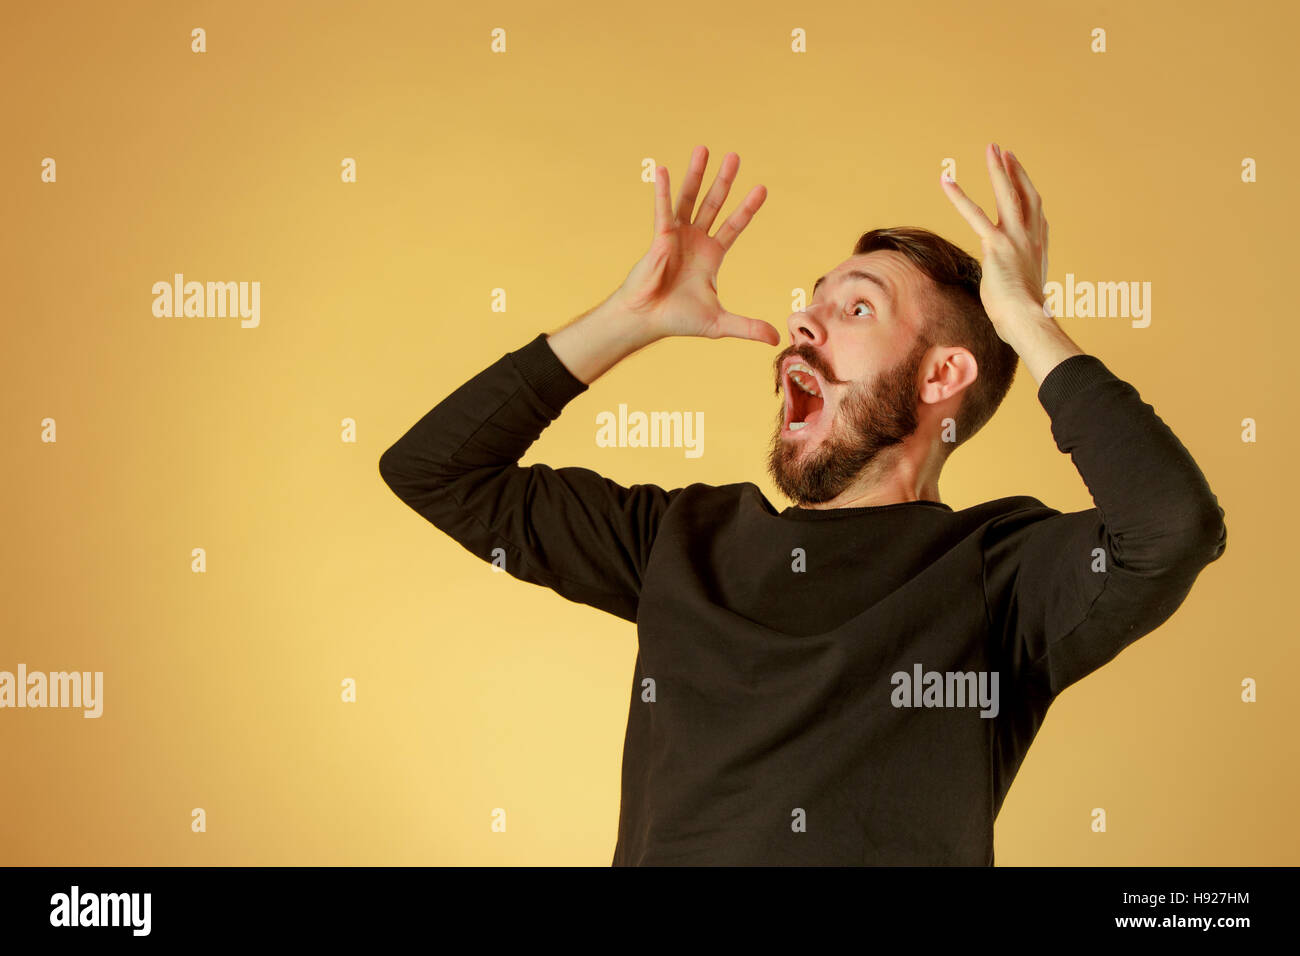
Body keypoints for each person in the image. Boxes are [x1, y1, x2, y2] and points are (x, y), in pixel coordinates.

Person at [378, 143, 1227, 865]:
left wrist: (1024, 320)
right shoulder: (683, 539)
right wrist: (626, 318)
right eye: (813, 299)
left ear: (942, 377)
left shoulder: (997, 575)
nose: (803, 322)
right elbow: (435, 471)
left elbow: (1172, 528)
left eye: (856, 306)